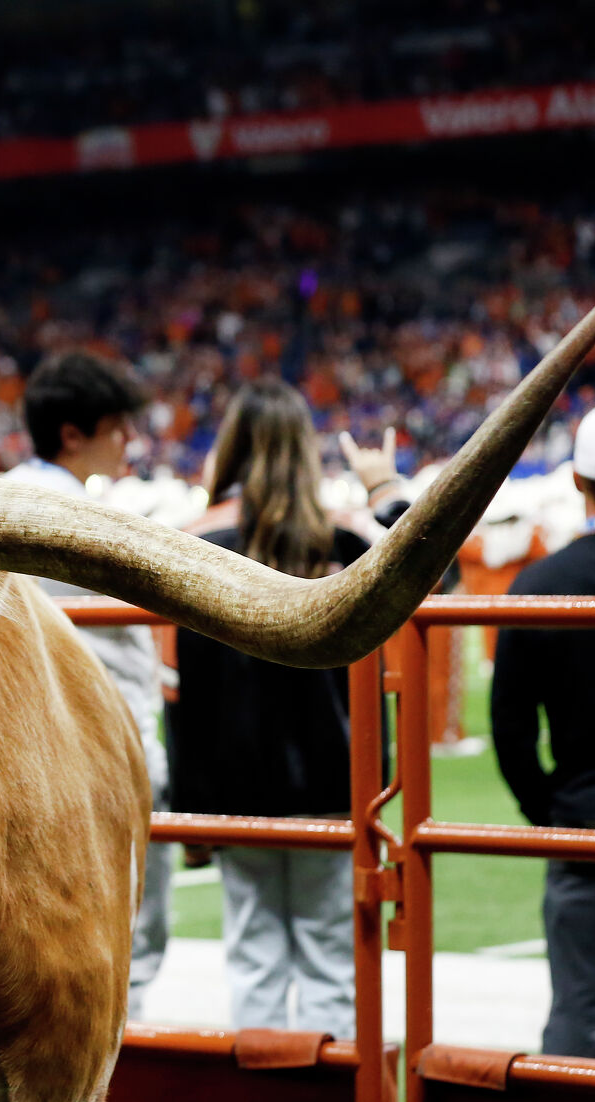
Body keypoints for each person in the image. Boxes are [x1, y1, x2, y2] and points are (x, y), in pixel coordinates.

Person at [168, 379, 405, 1040]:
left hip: (236, 791)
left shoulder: (190, 539)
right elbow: (439, 579)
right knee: (334, 963)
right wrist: (385, 488)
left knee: (253, 961)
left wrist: (192, 809)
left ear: (231, 448)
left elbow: (176, 690)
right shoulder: (350, 532)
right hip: (337, 785)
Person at [3, 352, 171, 1019]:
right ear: (73, 434)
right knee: (125, 927)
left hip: (34, 745)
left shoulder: (9, 492)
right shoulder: (75, 515)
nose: (128, 440)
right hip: (97, 742)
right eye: (116, 426)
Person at [491, 401, 595, 1063]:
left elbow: (510, 728)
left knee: (572, 1013)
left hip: (581, 820)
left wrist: (550, 809)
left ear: (577, 482)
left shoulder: (540, 584)